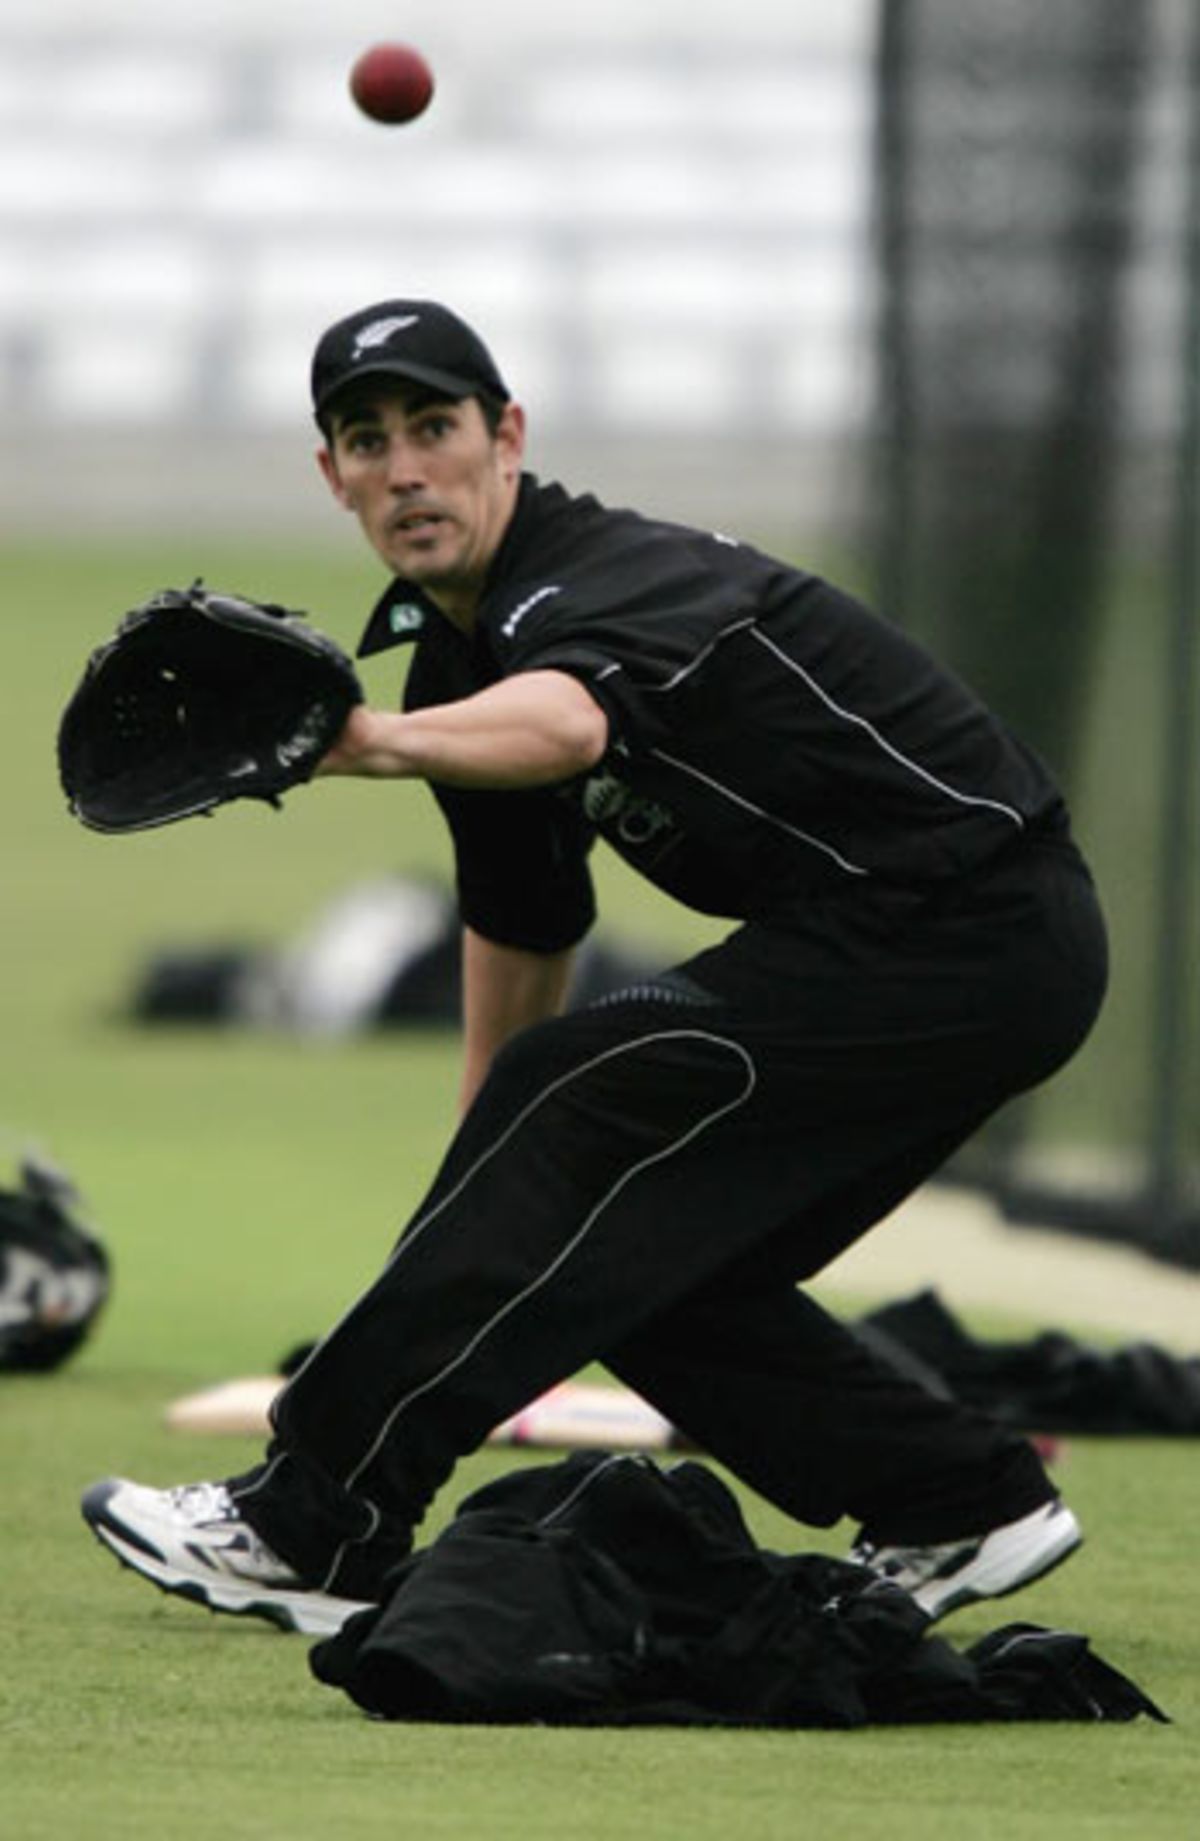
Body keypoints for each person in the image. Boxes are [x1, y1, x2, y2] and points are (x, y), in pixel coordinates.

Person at [81, 299, 1108, 1637]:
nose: (405, 469)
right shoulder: (462, 654)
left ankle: (306, 1519)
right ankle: (956, 1499)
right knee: (632, 1252)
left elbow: (570, 724)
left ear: (507, 436)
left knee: (586, 1110)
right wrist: (475, 1199)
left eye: (435, 428)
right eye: (366, 438)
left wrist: (369, 741)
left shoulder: (598, 572)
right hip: (902, 945)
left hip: (970, 920)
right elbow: (525, 916)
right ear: (328, 473)